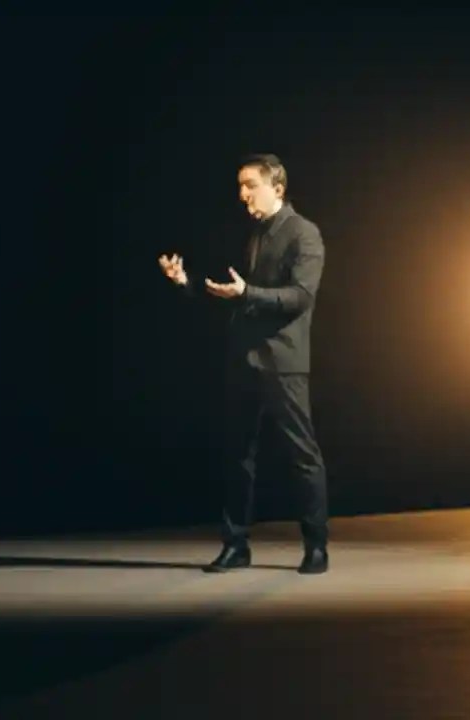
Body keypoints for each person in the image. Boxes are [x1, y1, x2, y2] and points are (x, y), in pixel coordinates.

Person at [157, 153, 330, 574]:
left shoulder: (303, 233)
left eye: (250, 185)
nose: (242, 194)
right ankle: (236, 545)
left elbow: (300, 297)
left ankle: (316, 546)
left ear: (278, 188)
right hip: (244, 361)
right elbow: (235, 294)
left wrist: (246, 293)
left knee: (301, 455)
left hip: (284, 362)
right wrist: (188, 284)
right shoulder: (255, 234)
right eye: (240, 186)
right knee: (238, 456)